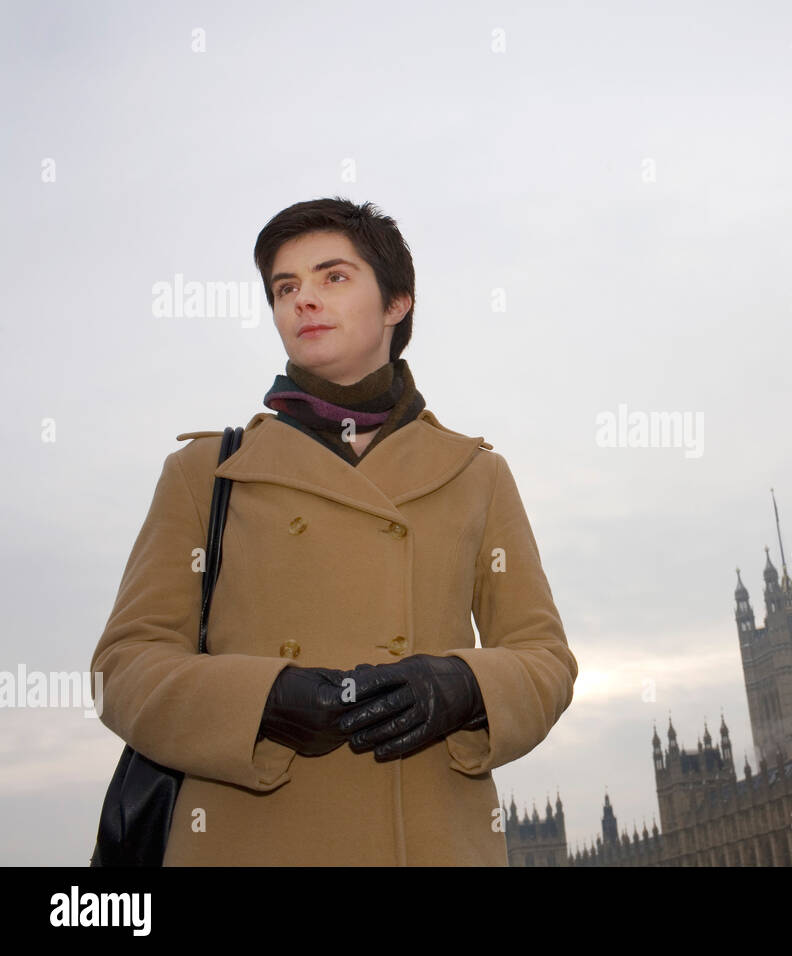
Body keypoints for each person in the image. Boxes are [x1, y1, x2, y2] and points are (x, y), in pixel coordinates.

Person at [90, 197, 578, 865]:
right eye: (284, 287)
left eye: (333, 278)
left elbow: (544, 659)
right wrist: (262, 701)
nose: (302, 301)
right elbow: (122, 669)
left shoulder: (476, 474)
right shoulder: (205, 473)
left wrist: (463, 686)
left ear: (397, 303)